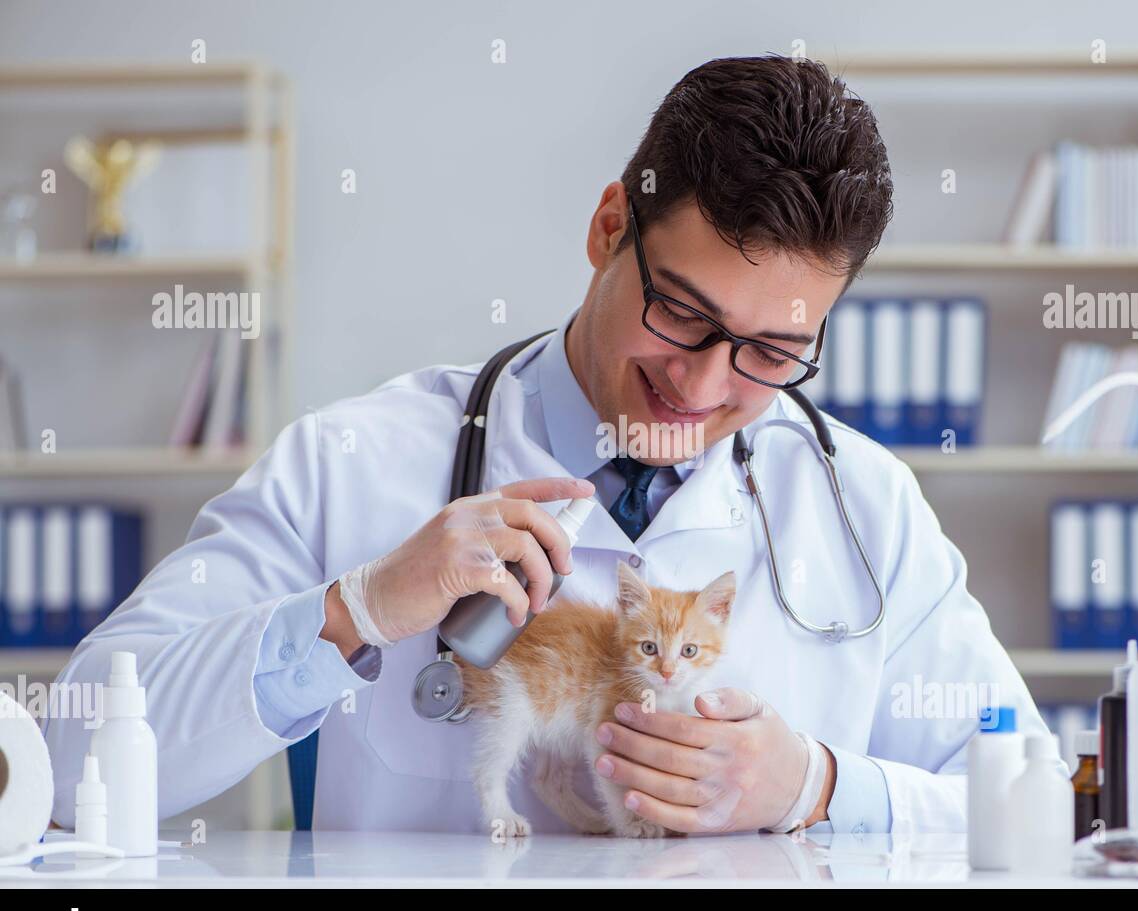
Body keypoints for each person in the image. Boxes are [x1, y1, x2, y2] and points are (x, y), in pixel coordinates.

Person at [47, 55, 1058, 835]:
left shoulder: (863, 502)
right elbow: (67, 749)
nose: (704, 387)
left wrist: (819, 785)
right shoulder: (355, 460)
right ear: (609, 227)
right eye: (680, 313)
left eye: (772, 350)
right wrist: (357, 609)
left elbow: (1036, 804)